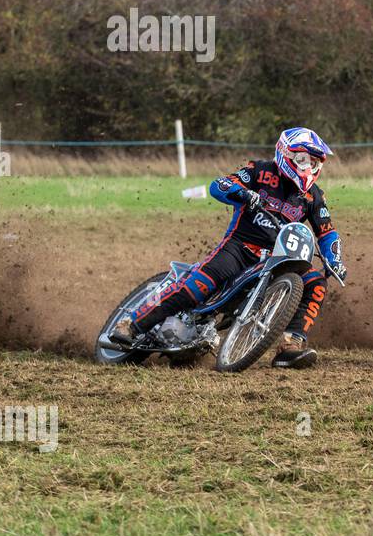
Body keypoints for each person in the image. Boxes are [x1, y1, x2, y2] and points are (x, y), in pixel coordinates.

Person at [111, 127, 346, 369]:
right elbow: (219, 185)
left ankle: (290, 344)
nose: (309, 167)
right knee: (198, 286)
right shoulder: (260, 171)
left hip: (276, 259)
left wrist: (335, 259)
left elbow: (327, 232)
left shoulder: (313, 196)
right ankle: (132, 324)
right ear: (286, 153)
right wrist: (242, 193)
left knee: (316, 283)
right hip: (239, 248)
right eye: (303, 159)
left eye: (315, 162)